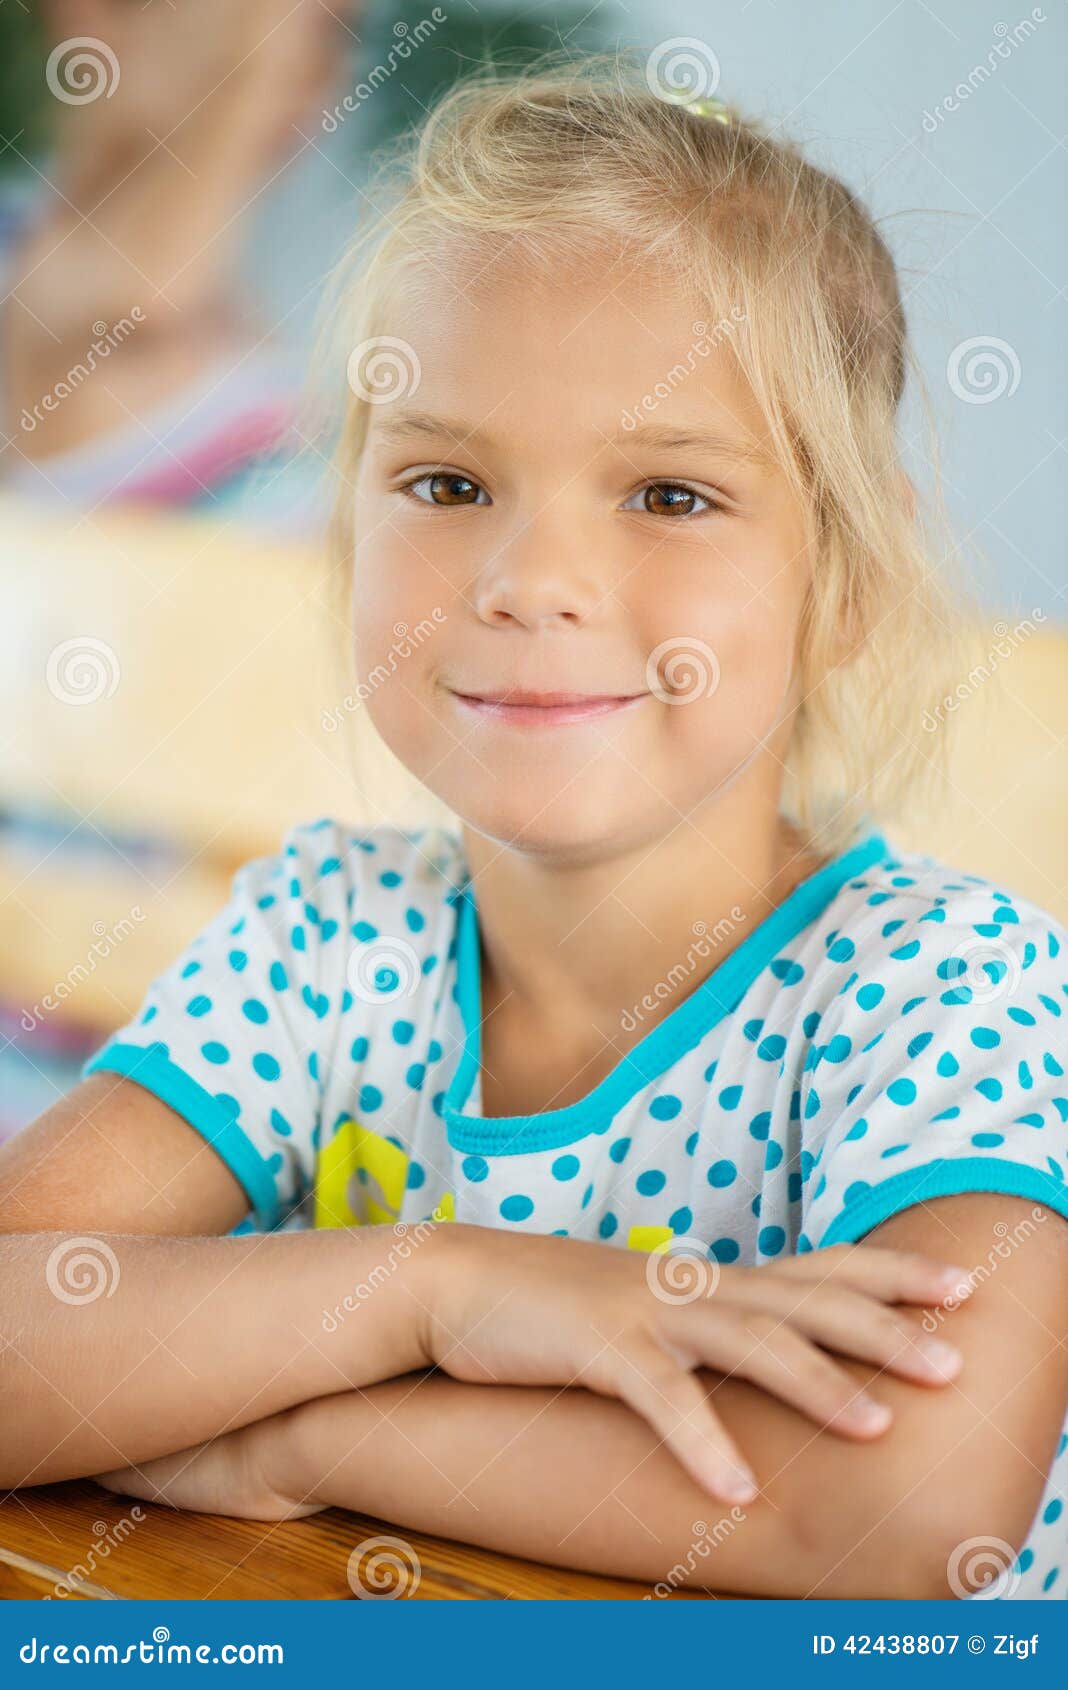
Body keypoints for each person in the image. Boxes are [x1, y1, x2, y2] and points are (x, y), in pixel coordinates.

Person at [2, 55, 1066, 1601]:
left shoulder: (945, 988)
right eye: (446, 480)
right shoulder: (323, 938)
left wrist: (308, 1439)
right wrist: (432, 1285)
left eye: (669, 495)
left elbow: (907, 1512)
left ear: (841, 578)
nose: (531, 579)